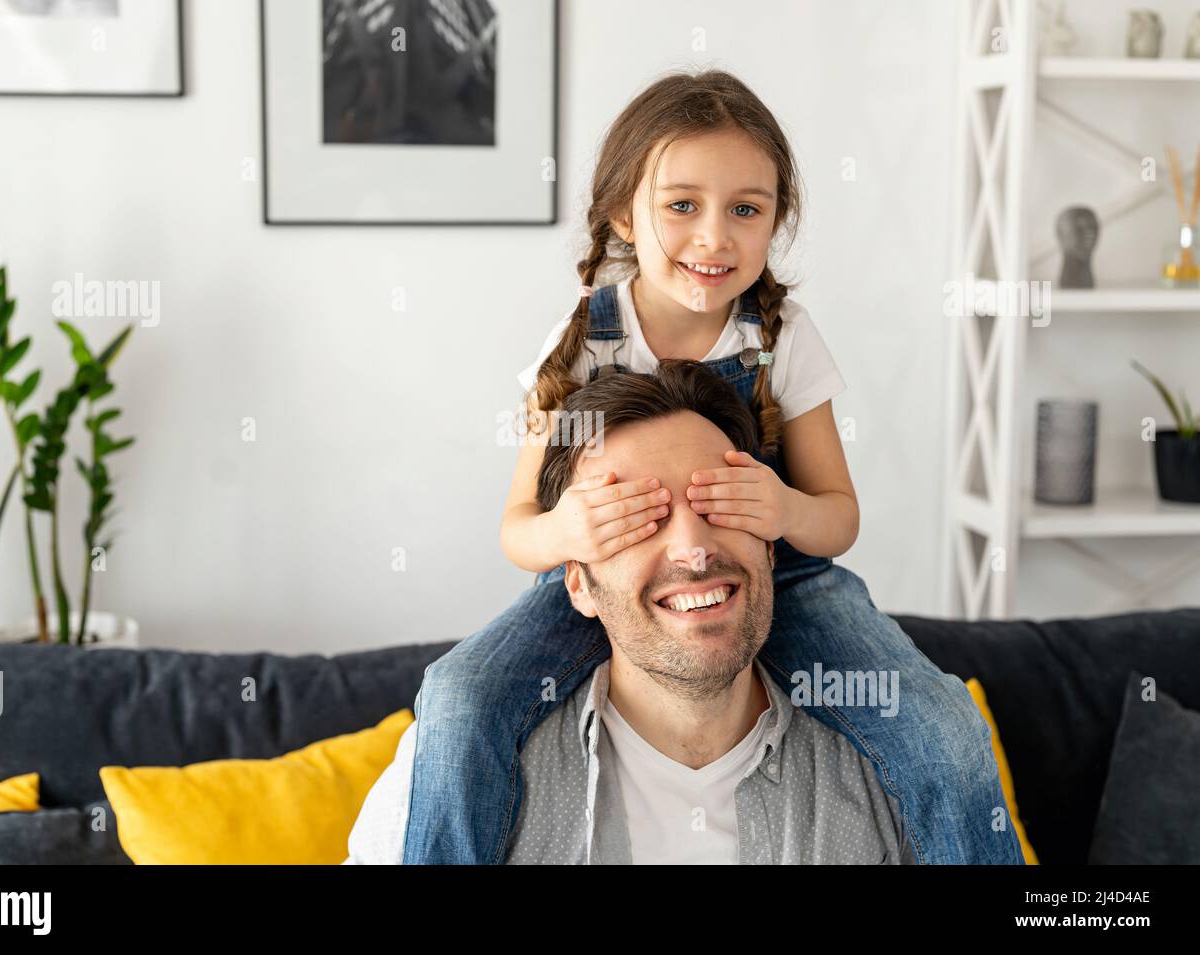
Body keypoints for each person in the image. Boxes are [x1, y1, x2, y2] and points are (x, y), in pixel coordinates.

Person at [403, 68, 1023, 865]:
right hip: (608, 580)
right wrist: (568, 529)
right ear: (624, 213)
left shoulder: (783, 334)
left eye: (746, 210)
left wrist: (783, 509)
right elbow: (518, 527)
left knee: (943, 726)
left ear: (776, 222)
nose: (715, 238)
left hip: (784, 577)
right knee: (456, 701)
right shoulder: (585, 339)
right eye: (683, 205)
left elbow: (839, 514)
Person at [347, 362, 915, 864]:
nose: (693, 548)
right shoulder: (453, 772)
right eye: (635, 518)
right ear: (578, 582)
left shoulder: (891, 771)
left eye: (721, 503)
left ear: (770, 543)